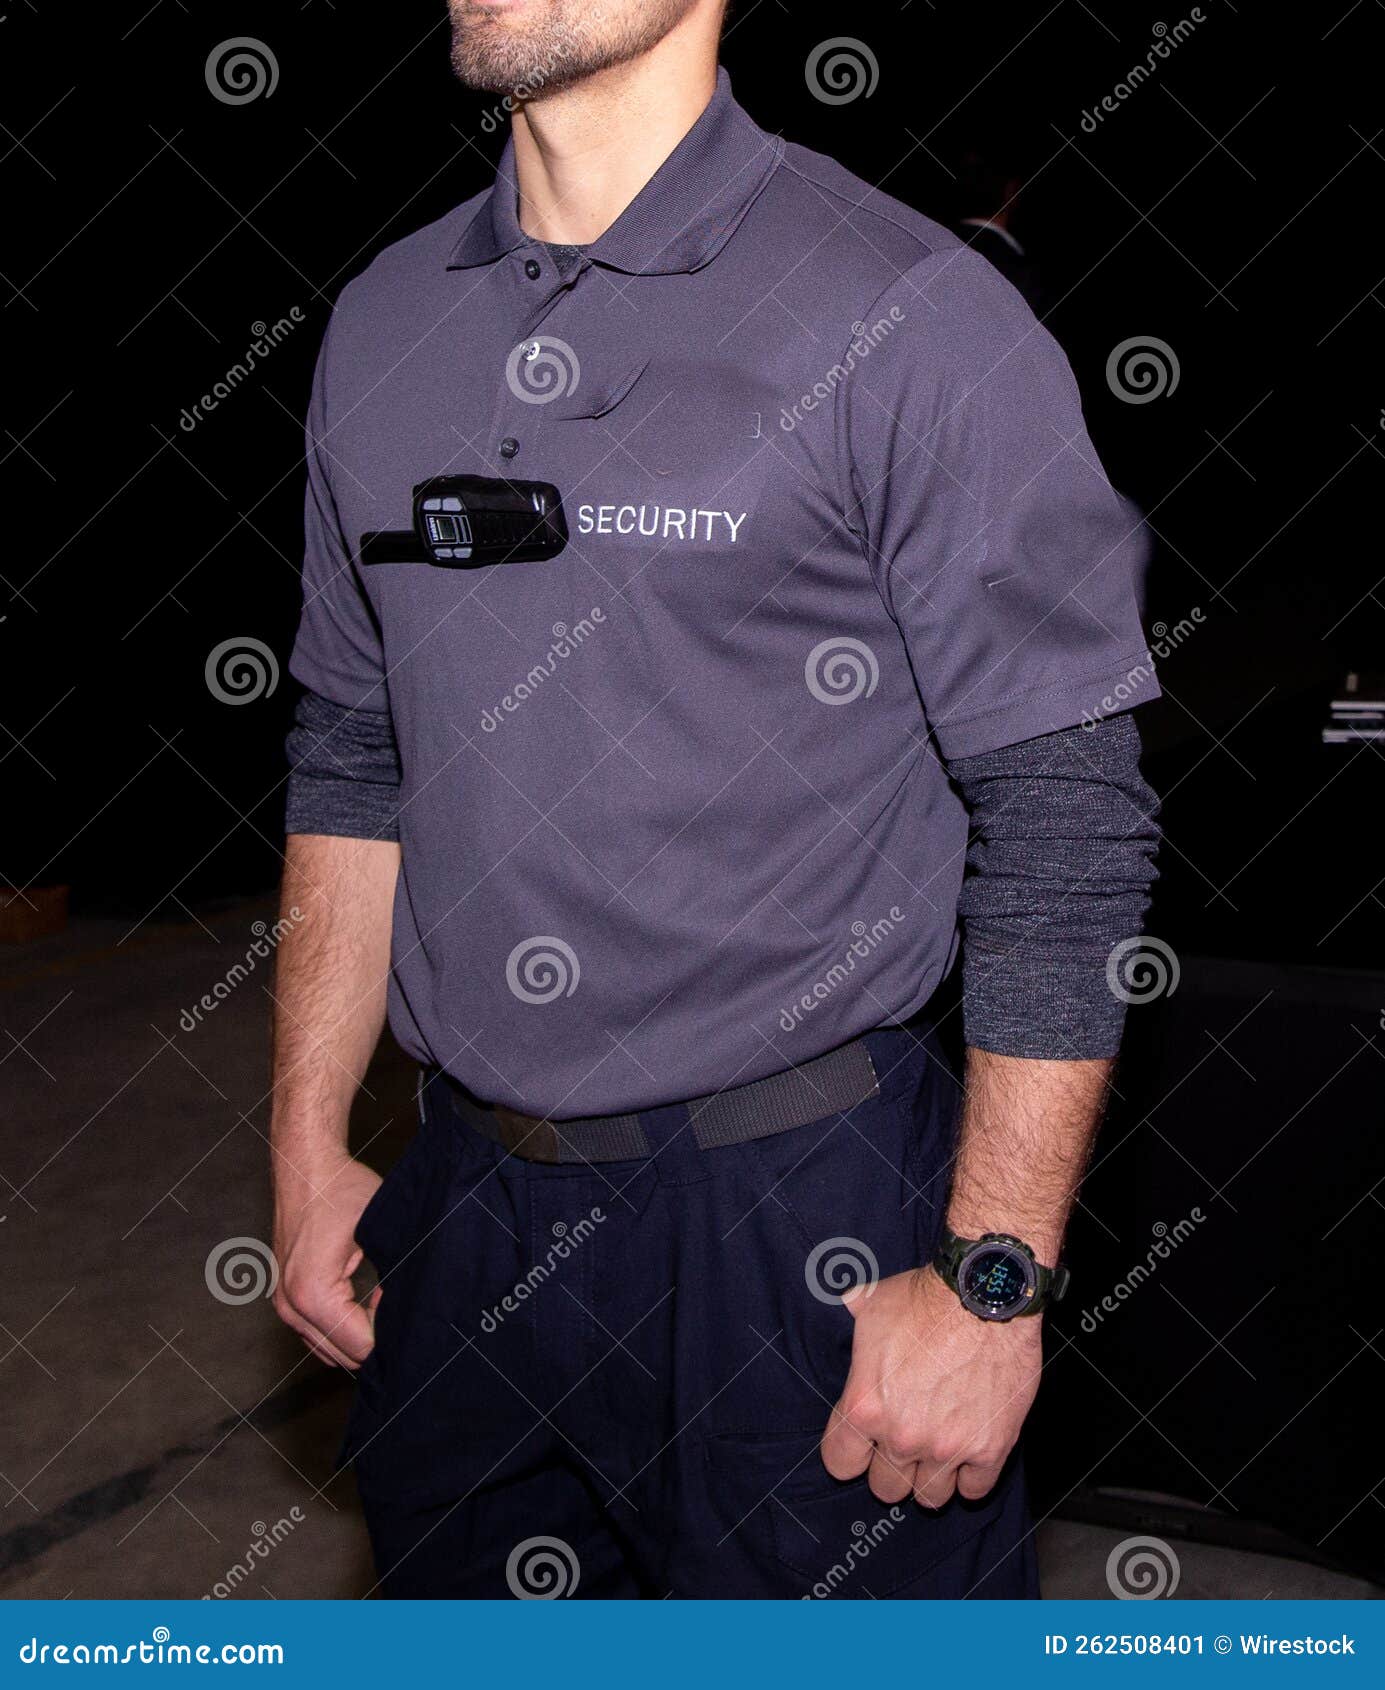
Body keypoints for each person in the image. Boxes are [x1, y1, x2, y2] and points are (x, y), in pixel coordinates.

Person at [271, 0, 1161, 1599]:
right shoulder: (382, 321)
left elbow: (1067, 816)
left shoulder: (909, 313)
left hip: (798, 1219)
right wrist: (306, 1135)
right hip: (462, 1210)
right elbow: (352, 752)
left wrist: (988, 1281)